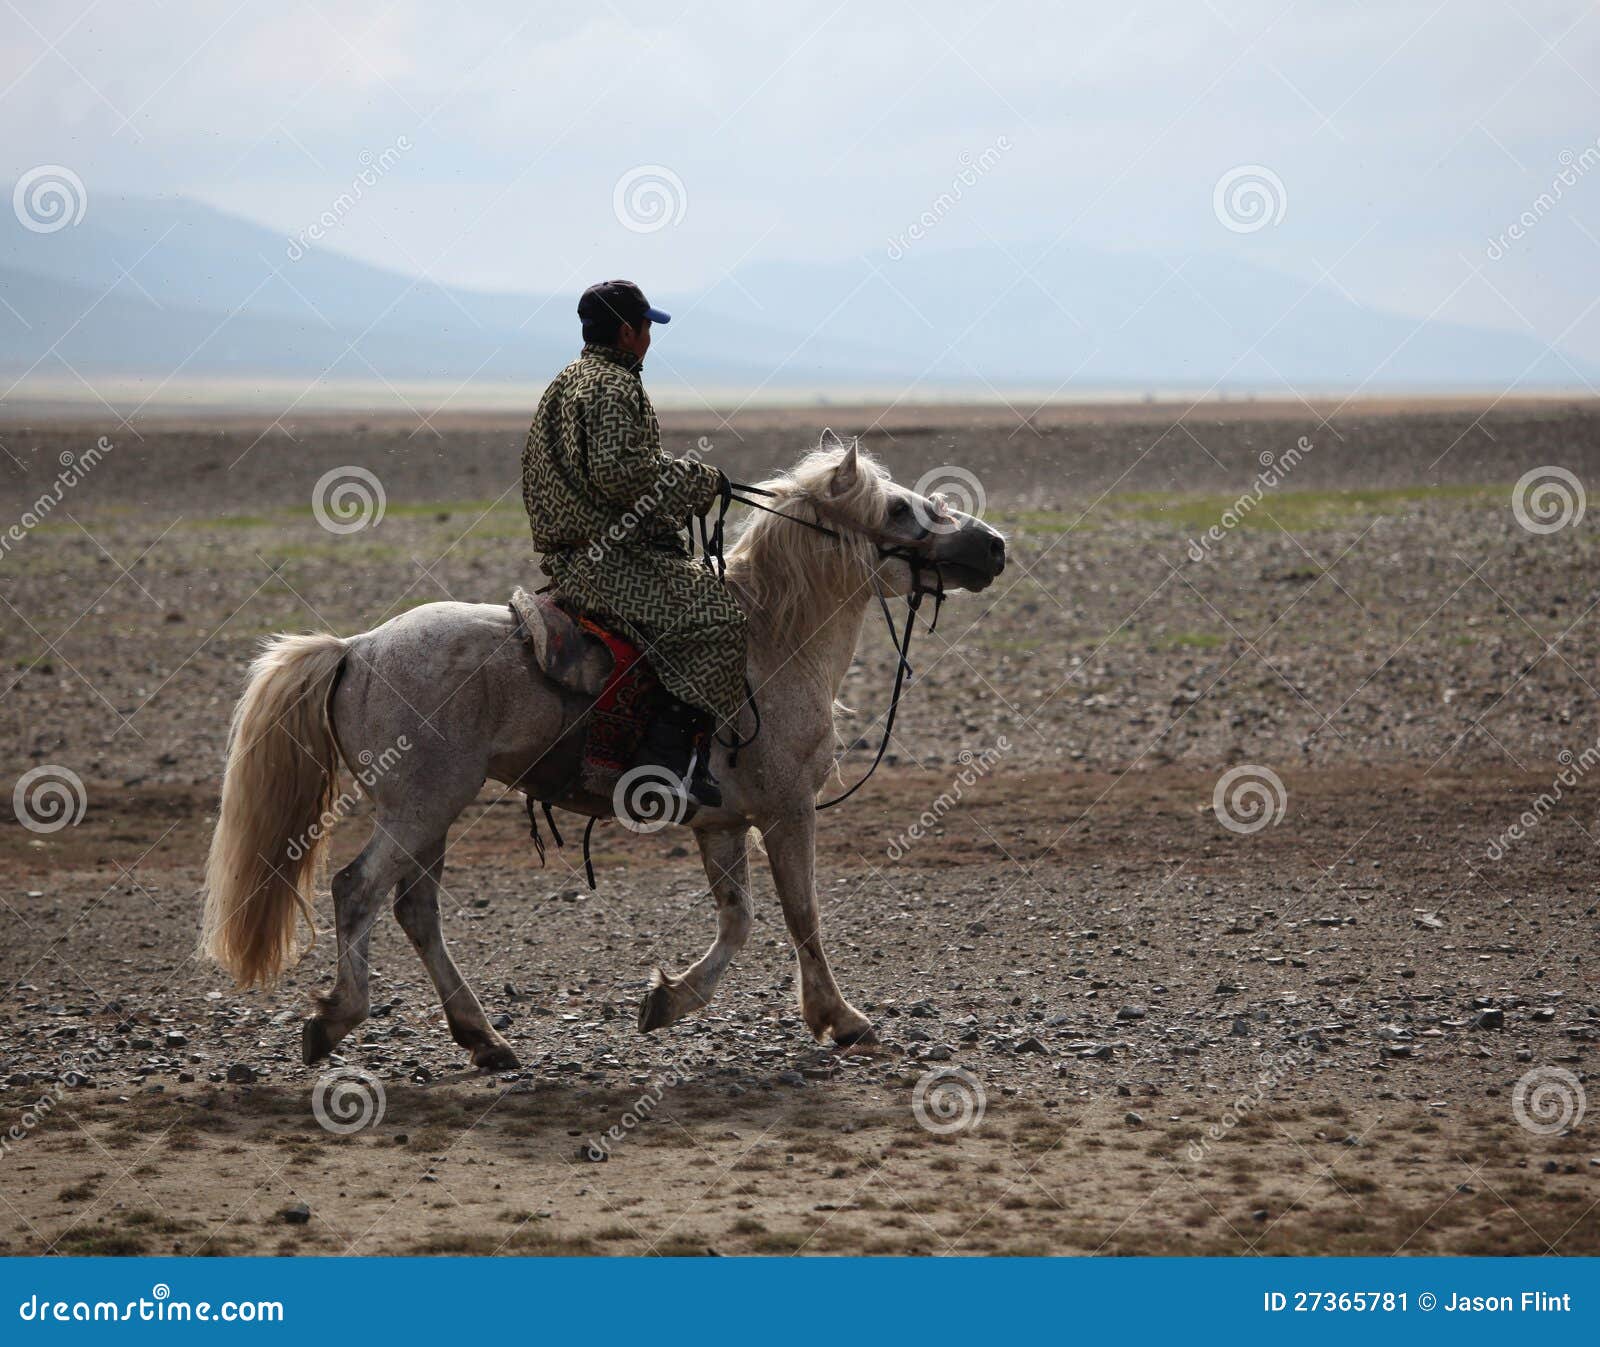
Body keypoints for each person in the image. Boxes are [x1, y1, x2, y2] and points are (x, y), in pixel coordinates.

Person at [520, 280, 746, 809]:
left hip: (577, 550)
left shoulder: (567, 380)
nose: (649, 337)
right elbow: (622, 473)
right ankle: (666, 762)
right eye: (646, 327)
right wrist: (698, 481)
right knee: (718, 618)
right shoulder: (614, 387)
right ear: (627, 332)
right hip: (609, 559)